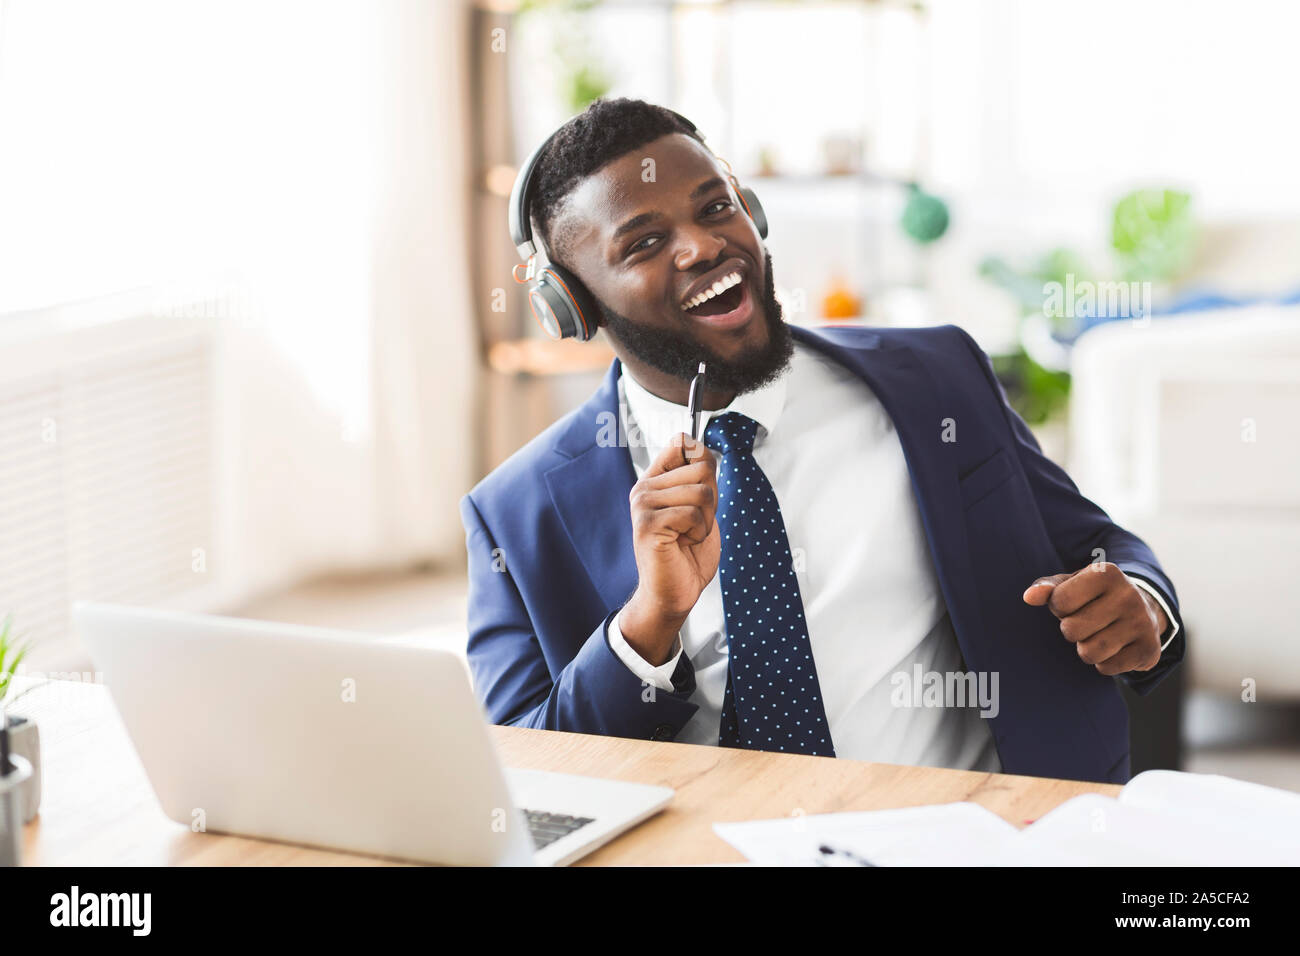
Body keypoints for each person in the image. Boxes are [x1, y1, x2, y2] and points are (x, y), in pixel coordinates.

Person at [460, 98, 1182, 784]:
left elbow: (1095, 546)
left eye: (717, 207)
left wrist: (1140, 604)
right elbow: (525, 771)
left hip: (977, 830)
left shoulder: (934, 378)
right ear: (571, 305)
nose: (705, 245)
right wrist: (650, 622)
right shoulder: (515, 513)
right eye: (646, 243)